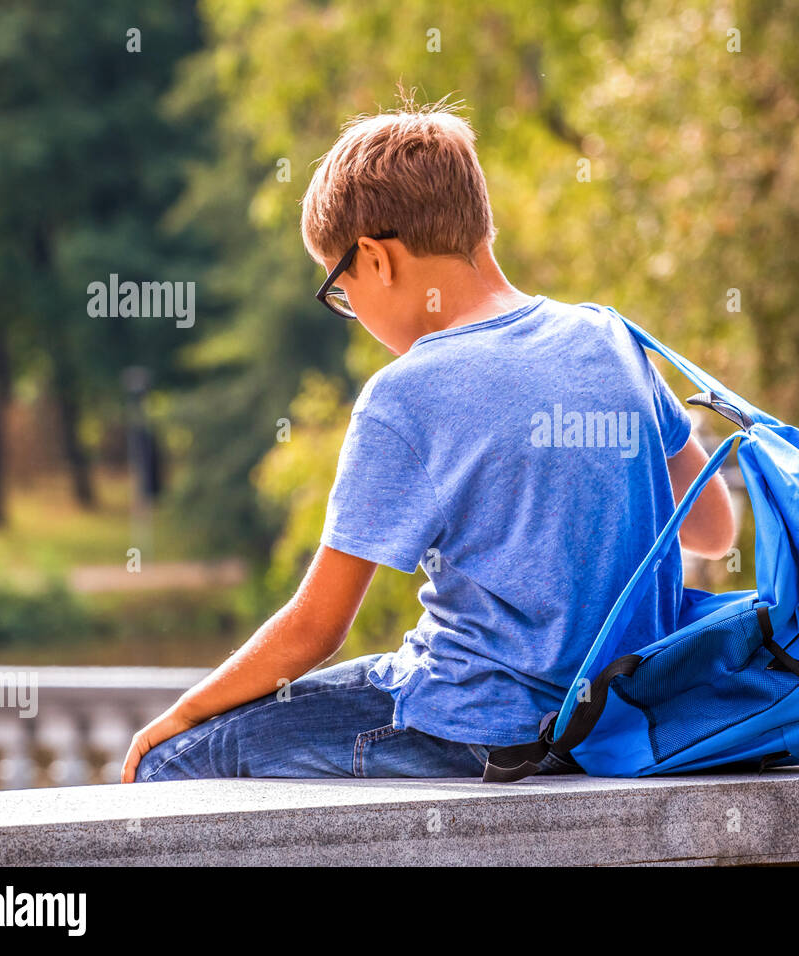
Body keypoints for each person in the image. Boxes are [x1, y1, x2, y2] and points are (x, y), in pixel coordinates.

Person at [123, 97, 735, 782]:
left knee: (170, 766)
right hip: (615, 724)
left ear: (377, 260)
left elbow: (316, 629)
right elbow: (714, 530)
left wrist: (181, 712)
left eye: (342, 291)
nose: (352, 315)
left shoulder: (405, 394)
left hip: (474, 727)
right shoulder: (609, 337)